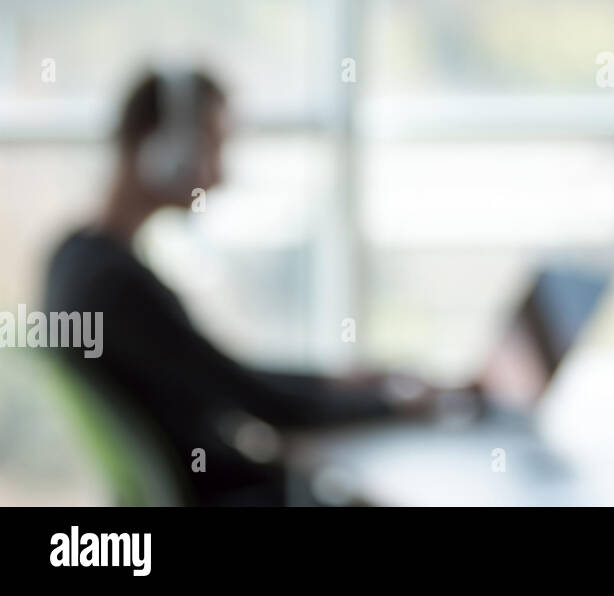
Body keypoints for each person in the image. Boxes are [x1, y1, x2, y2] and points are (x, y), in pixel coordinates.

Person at [44, 67, 481, 505]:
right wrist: (395, 404)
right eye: (213, 146)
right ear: (164, 149)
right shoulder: (115, 286)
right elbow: (259, 402)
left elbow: (222, 374)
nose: (220, 175)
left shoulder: (74, 258)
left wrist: (340, 384)